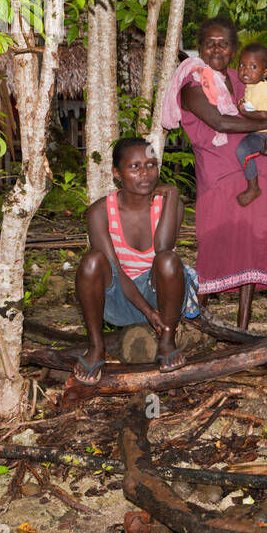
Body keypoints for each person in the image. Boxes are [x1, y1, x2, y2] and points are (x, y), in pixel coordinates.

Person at [162, 18, 267, 329]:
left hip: (254, 172)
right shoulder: (193, 83)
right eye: (210, 42)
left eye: (224, 43)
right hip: (218, 176)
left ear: (232, 49)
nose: (217, 48)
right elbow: (220, 123)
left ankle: (242, 327)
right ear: (200, 46)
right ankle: (192, 322)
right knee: (214, 247)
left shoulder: (242, 77)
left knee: (253, 247)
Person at [73, 137, 201, 383]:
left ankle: (167, 341)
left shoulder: (170, 204)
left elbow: (163, 249)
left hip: (162, 297)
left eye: (151, 165)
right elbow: (118, 274)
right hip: (120, 300)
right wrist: (148, 313)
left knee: (167, 260)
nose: (145, 173)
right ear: (117, 173)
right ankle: (96, 346)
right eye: (134, 167)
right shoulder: (100, 212)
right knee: (91, 262)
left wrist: (172, 195)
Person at [232, 42, 267, 207]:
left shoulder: (261, 89)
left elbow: (264, 115)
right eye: (242, 65)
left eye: (253, 66)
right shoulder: (252, 86)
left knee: (242, 150)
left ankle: (253, 187)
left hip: (264, 133)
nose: (246, 70)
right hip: (260, 131)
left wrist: (244, 112)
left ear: (265, 72)